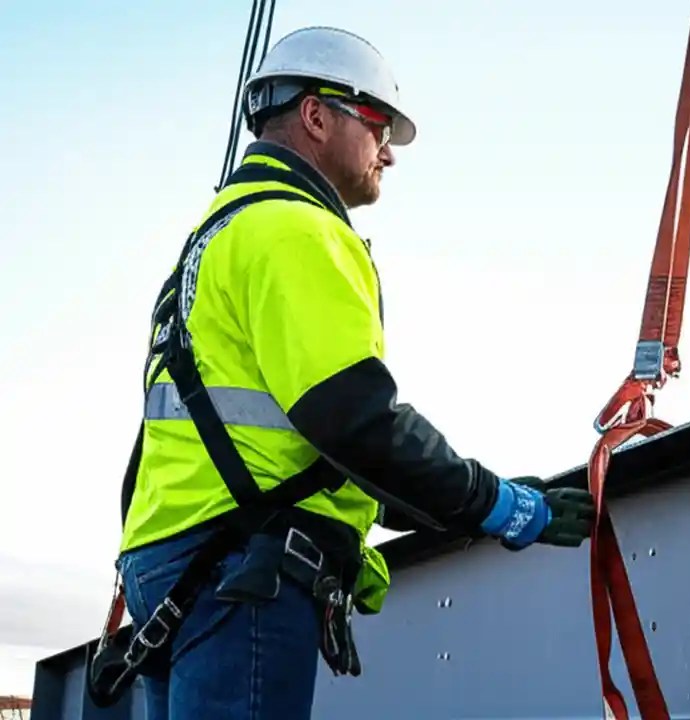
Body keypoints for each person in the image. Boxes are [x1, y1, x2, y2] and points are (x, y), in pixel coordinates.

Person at [106, 25, 596, 719]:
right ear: (316, 115)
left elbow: (312, 446)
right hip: (239, 571)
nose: (388, 154)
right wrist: (502, 506)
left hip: (174, 564)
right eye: (377, 125)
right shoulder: (296, 231)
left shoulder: (216, 236)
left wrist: (473, 500)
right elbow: (357, 422)